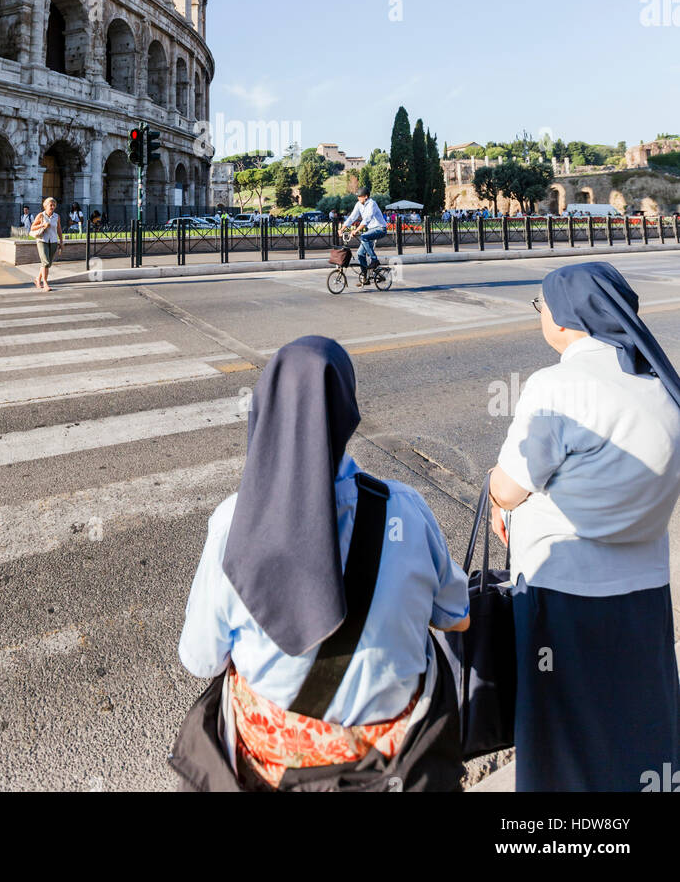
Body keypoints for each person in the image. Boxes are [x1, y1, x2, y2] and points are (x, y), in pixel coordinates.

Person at [176, 336, 470, 791]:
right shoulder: (407, 511)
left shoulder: (232, 524)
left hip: (268, 769)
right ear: (348, 415)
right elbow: (456, 618)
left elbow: (200, 660)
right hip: (391, 768)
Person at [489, 260, 680, 792]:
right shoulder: (661, 383)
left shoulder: (558, 385)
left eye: (541, 307)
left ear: (568, 319)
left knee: (563, 734)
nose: (541, 316)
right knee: (633, 721)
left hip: (565, 593)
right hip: (644, 590)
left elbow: (507, 488)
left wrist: (493, 486)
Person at [342, 187, 388, 286]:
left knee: (363, 237)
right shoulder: (359, 205)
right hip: (371, 230)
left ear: (366, 197)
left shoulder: (372, 204)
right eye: (358, 196)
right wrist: (342, 228)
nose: (358, 198)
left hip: (380, 229)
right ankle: (365, 278)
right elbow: (352, 217)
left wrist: (356, 230)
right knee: (360, 253)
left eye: (360, 196)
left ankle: (374, 260)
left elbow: (366, 219)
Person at [30, 196, 63, 292]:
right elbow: (32, 227)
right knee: (45, 262)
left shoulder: (57, 216)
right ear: (45, 206)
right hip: (42, 240)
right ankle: (45, 283)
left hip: (53, 241)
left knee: (47, 263)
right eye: (50, 205)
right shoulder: (41, 215)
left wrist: (61, 242)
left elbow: (59, 229)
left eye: (54, 205)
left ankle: (37, 279)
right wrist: (43, 225)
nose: (52, 207)